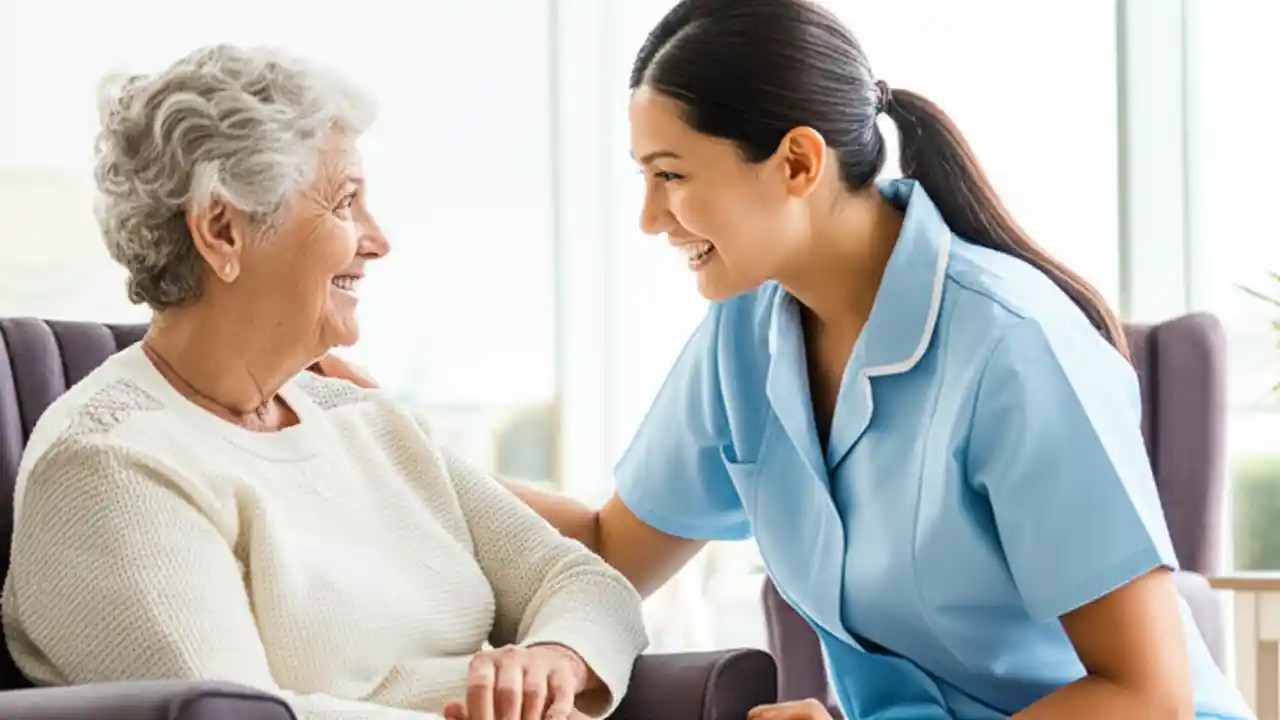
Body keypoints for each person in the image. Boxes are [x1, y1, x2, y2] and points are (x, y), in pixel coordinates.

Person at [322, 1, 1256, 718]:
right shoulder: (747, 335)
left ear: (798, 164)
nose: (650, 218)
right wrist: (398, 441)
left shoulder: (1012, 349)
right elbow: (612, 549)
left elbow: (1146, 696)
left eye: (672, 175)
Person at [1, 45, 647, 720]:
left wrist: (553, 661)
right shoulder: (109, 465)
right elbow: (234, 714)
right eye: (346, 203)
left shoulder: (359, 417)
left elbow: (584, 582)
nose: (378, 240)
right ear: (223, 230)